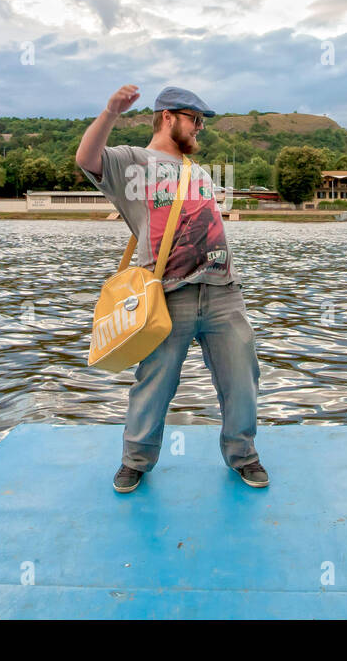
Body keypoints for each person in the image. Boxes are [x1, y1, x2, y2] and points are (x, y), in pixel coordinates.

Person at [76, 85, 268, 493]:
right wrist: (110, 111)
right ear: (167, 117)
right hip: (166, 294)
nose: (200, 128)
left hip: (222, 290)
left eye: (201, 122)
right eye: (194, 119)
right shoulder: (132, 162)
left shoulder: (198, 172)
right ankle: (136, 460)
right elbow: (86, 158)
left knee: (242, 376)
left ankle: (244, 455)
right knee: (156, 379)